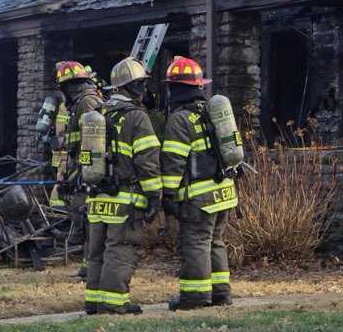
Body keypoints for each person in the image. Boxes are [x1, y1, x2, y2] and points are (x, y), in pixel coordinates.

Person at [84, 57, 162, 316]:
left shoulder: (99, 115)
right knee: (121, 249)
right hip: (125, 198)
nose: (143, 90)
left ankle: (94, 302)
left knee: (96, 252)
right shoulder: (137, 118)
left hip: (97, 197)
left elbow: (83, 156)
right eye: (140, 84)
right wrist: (154, 196)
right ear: (134, 87)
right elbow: (148, 159)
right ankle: (113, 303)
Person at [161, 56, 238, 310]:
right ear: (198, 86)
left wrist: (168, 195)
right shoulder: (209, 112)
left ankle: (195, 297)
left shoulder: (180, 119)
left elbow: (174, 160)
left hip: (199, 197)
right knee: (215, 241)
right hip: (224, 191)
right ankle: (220, 294)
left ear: (175, 89)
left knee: (195, 242)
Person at [53, 61, 105, 277]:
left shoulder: (86, 103)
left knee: (88, 220)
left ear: (70, 86)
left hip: (88, 174)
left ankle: (91, 266)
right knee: (84, 220)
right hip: (81, 171)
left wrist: (80, 173)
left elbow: (90, 145)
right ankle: (88, 266)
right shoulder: (79, 104)